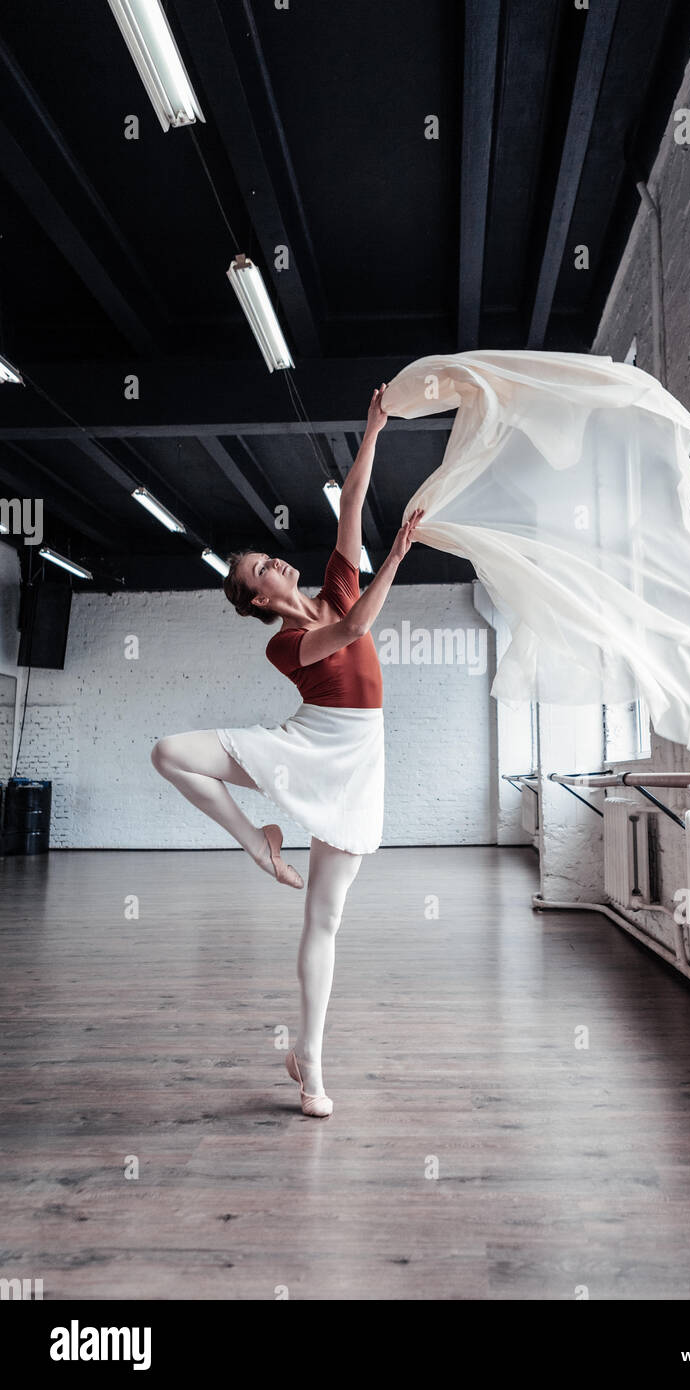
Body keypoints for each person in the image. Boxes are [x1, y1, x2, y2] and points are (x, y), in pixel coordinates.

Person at [150, 385, 424, 1116]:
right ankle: (257, 842)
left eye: (268, 556)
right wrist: (395, 555)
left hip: (360, 762)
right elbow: (357, 630)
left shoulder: (333, 581)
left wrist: (372, 428)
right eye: (261, 569)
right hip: (306, 746)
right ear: (260, 599)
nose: (275, 562)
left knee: (325, 921)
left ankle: (308, 1056)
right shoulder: (286, 643)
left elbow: (350, 502)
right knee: (168, 750)